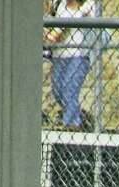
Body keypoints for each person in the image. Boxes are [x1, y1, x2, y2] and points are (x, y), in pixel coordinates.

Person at [44, 0, 97, 129]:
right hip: (59, 56)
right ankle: (80, 117)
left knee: (69, 89)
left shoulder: (87, 5)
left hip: (78, 55)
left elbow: (56, 35)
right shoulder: (58, 4)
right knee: (58, 91)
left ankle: (72, 126)